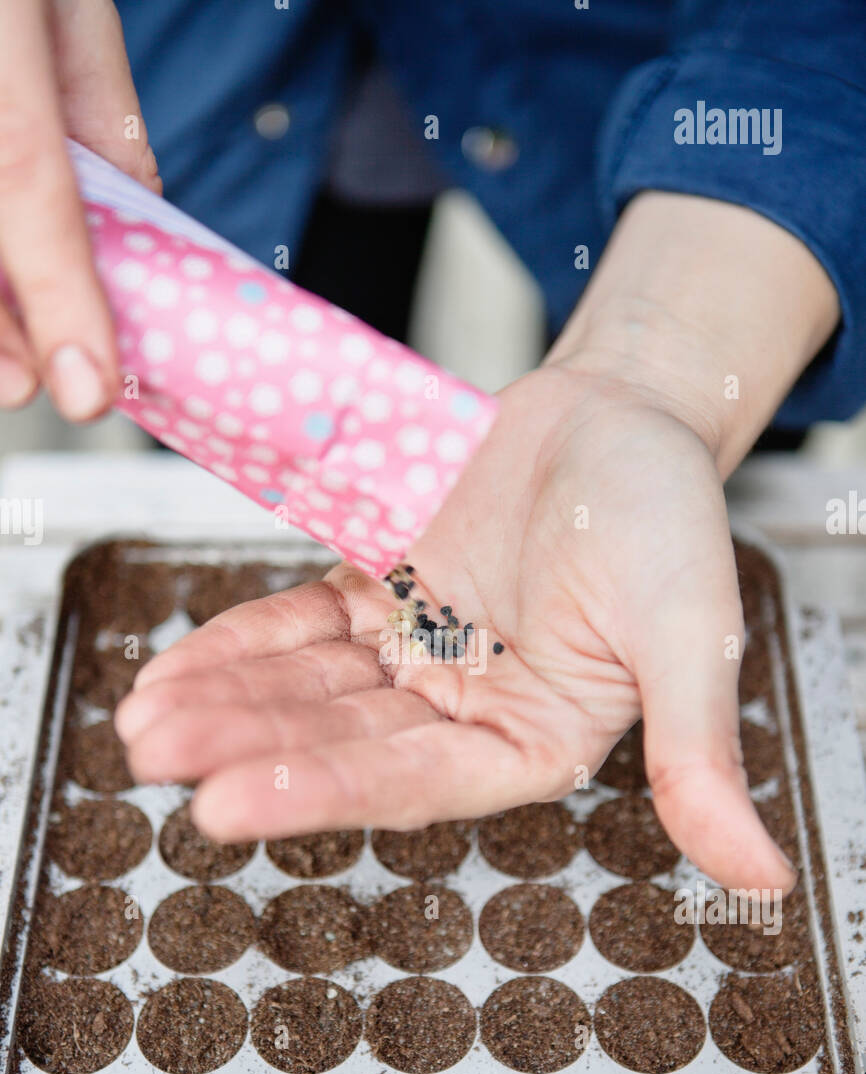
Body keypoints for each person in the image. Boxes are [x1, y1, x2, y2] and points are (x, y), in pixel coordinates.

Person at [1, 1, 863, 893]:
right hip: (222, 95)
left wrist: (654, 374)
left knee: (666, 450)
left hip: (610, 87)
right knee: (298, 317)